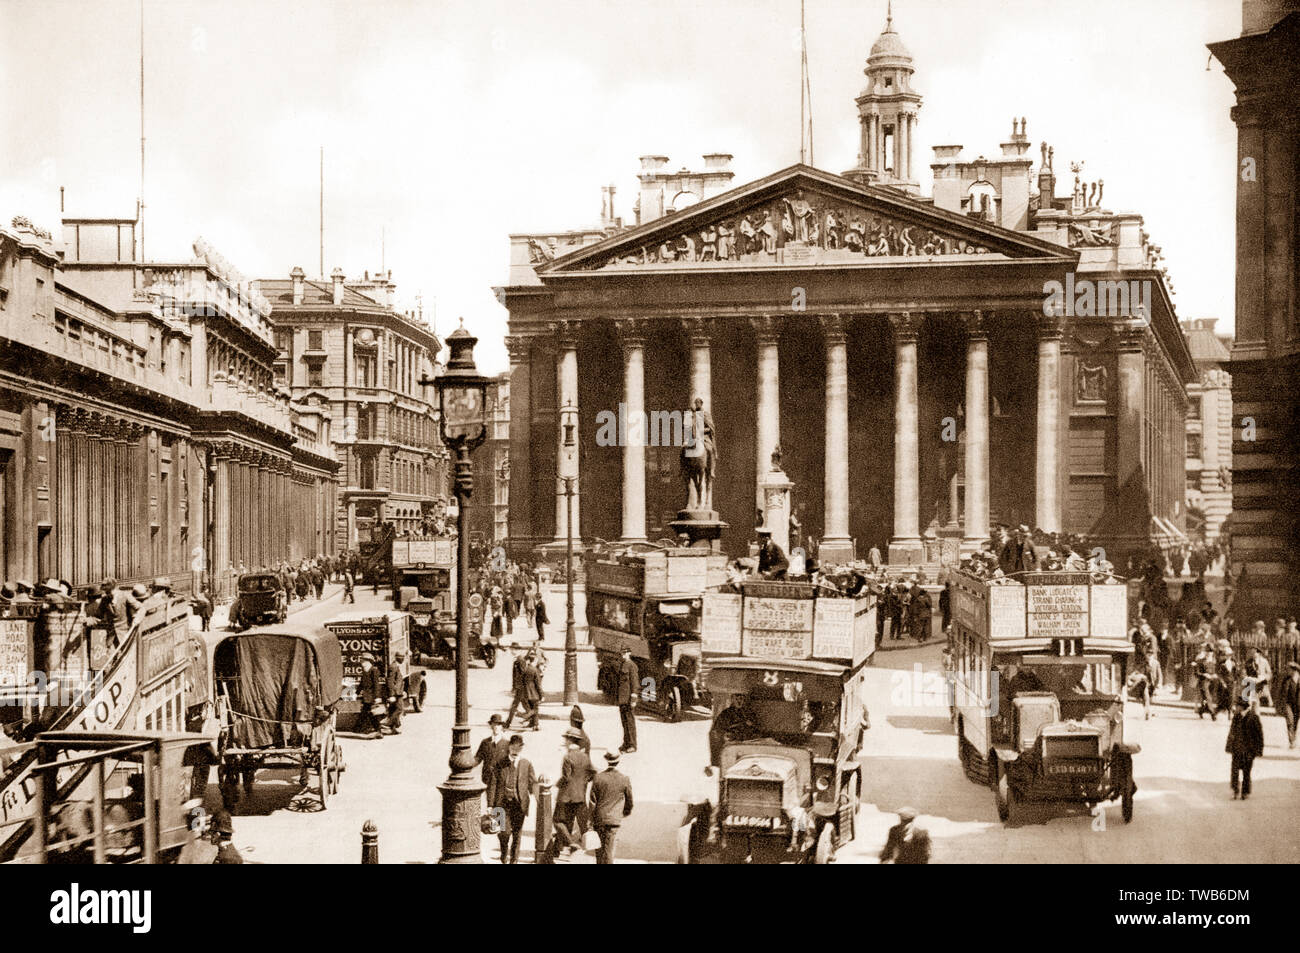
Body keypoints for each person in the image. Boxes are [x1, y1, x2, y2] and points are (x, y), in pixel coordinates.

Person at [491, 735, 536, 864]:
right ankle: (504, 856)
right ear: (509, 747)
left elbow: (533, 783)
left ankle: (514, 861)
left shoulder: (526, 764)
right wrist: (490, 805)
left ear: (521, 749)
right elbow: (493, 785)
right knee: (503, 834)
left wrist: (539, 791)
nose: (515, 751)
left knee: (517, 835)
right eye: (513, 748)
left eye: (518, 748)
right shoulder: (500, 763)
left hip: (519, 804)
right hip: (501, 805)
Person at [552, 729, 595, 857]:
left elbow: (566, 777)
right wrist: (582, 783)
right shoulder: (585, 756)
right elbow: (592, 772)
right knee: (568, 823)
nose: (565, 741)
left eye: (566, 739)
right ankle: (556, 851)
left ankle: (571, 843)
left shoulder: (568, 757)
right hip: (579, 796)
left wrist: (557, 784)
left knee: (557, 821)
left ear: (570, 740)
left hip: (566, 796)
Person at [588, 749, 634, 864]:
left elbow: (592, 801)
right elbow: (629, 800)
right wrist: (625, 812)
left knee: (599, 850)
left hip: (599, 818)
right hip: (614, 820)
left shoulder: (598, 778)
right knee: (608, 850)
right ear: (618, 761)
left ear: (607, 761)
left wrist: (591, 819)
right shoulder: (624, 779)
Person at [1225, 697, 1264, 800]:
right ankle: (1235, 790)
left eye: (1237, 706)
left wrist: (1258, 750)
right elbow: (1232, 732)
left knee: (1246, 772)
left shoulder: (1254, 717)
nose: (1235, 708)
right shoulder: (1236, 717)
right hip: (1237, 749)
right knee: (1234, 771)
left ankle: (1245, 792)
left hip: (1248, 751)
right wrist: (1229, 746)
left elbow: (1259, 735)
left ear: (1242, 707)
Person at [475, 714, 511, 805]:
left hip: (502, 777)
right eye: (494, 724)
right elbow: (478, 758)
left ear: (502, 727)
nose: (496, 727)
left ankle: (497, 818)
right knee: (490, 801)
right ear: (491, 726)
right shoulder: (485, 742)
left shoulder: (507, 744)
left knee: (499, 802)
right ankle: (492, 817)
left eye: (498, 725)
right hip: (489, 777)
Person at [615, 648, 639, 753]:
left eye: (625, 653)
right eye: (622, 653)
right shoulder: (622, 664)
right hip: (622, 699)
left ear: (629, 653)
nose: (623, 655)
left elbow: (635, 683)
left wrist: (634, 698)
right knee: (624, 722)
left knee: (630, 722)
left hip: (629, 699)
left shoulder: (632, 665)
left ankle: (632, 745)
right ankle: (626, 743)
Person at [356, 654, 384, 739]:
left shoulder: (374, 670)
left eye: (363, 661)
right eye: (361, 660)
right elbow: (362, 683)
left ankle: (378, 731)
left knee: (372, 713)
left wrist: (377, 697)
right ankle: (364, 728)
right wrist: (357, 692)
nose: (362, 662)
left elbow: (376, 685)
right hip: (366, 696)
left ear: (368, 662)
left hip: (372, 696)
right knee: (368, 713)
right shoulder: (365, 670)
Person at [1280, 661, 1300, 749]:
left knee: (1295, 722)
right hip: (1288, 703)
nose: (1287, 671)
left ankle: (1293, 738)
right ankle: (1291, 741)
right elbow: (1281, 692)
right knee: (1290, 721)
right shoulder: (1286, 679)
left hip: (1298, 704)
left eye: (1289, 669)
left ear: (1294, 670)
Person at [385, 652, 406, 735]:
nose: (403, 659)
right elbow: (390, 681)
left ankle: (393, 728)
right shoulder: (393, 667)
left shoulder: (396, 666)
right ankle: (389, 724)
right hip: (396, 693)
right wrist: (392, 694)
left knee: (394, 709)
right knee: (399, 709)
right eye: (401, 657)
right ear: (397, 657)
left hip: (398, 692)